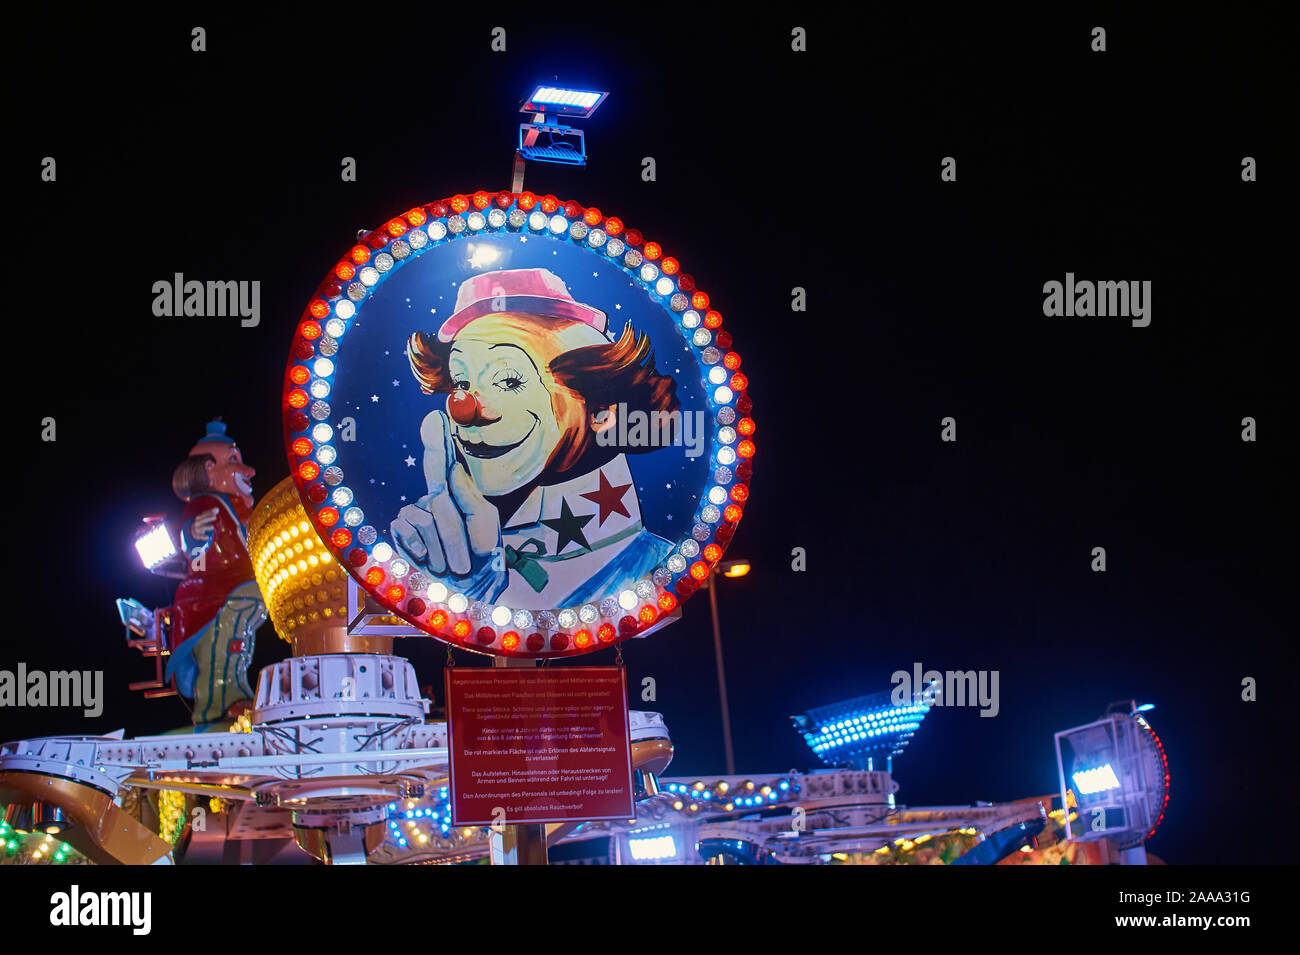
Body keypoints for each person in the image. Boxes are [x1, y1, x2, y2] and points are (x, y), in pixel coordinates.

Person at [394, 268, 679, 607]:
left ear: (603, 411)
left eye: (509, 380)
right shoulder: (468, 559)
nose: (465, 409)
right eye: (461, 381)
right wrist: (466, 590)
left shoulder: (654, 572)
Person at [165, 420, 265, 726]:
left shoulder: (239, 509)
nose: (249, 471)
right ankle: (216, 707)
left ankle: (236, 695)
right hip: (211, 597)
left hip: (236, 589)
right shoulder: (205, 504)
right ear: (208, 470)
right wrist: (193, 537)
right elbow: (194, 554)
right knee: (225, 646)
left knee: (238, 646)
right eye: (234, 460)